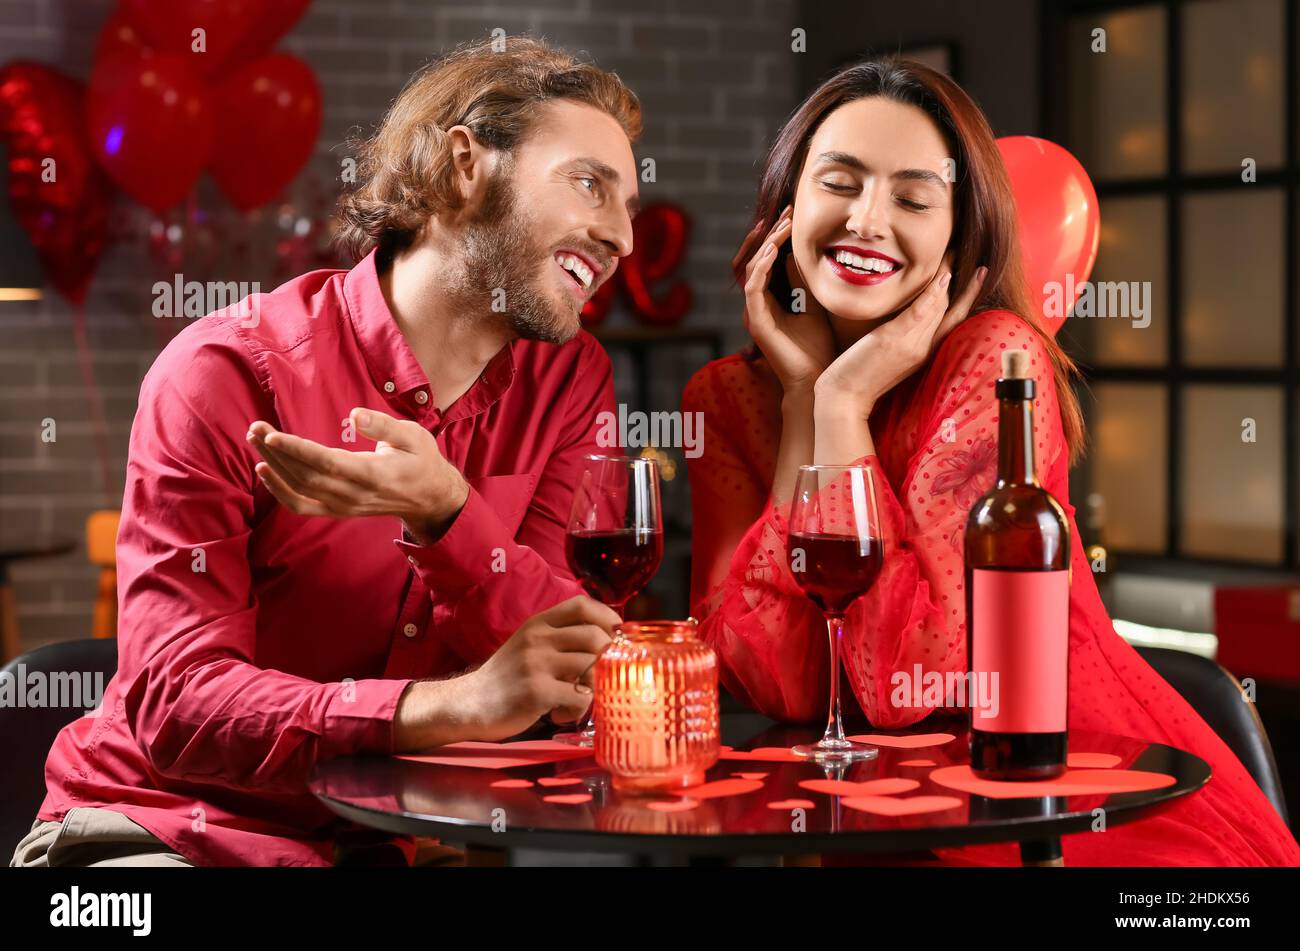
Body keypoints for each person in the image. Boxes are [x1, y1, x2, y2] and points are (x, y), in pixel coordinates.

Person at [12, 37, 641, 868]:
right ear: (465, 168)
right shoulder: (227, 372)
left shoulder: (568, 378)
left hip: (399, 841)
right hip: (162, 831)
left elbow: (564, 660)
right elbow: (178, 707)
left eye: (629, 202)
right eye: (590, 184)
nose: (622, 236)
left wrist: (446, 513)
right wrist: (447, 708)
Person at [682, 57, 1300, 866]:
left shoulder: (998, 363)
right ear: (786, 205)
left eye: (911, 199)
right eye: (840, 183)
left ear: (958, 237)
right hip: (878, 820)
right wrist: (812, 401)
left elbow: (914, 684)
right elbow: (777, 687)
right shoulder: (726, 398)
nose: (867, 221)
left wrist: (839, 410)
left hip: (1066, 799)